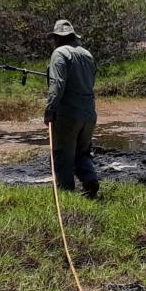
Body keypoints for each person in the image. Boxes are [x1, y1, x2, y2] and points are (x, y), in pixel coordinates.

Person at [44, 18, 99, 198]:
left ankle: (66, 196)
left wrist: (50, 109)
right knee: (82, 152)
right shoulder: (87, 54)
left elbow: (57, 85)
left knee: (62, 156)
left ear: (58, 38)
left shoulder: (59, 53)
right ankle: (90, 180)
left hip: (68, 114)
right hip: (89, 114)